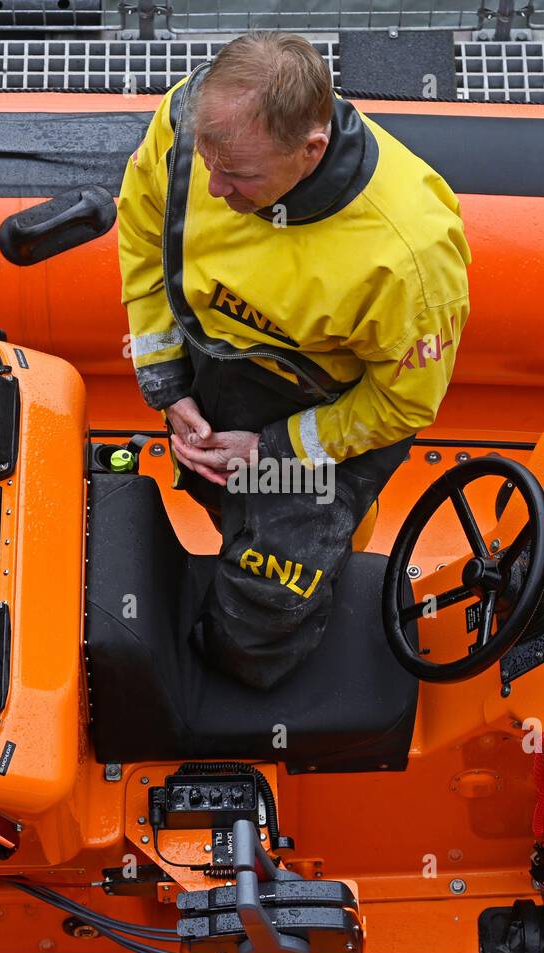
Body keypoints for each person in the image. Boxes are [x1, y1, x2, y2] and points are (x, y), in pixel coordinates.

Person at [117, 30, 471, 689]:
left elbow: (403, 401)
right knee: (218, 490)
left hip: (324, 413)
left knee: (270, 594)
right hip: (222, 369)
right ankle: (234, 525)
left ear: (310, 151)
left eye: (242, 176)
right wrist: (168, 383)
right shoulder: (188, 125)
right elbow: (144, 232)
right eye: (210, 165)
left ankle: (239, 676)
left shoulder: (408, 255)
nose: (217, 190)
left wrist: (278, 451)